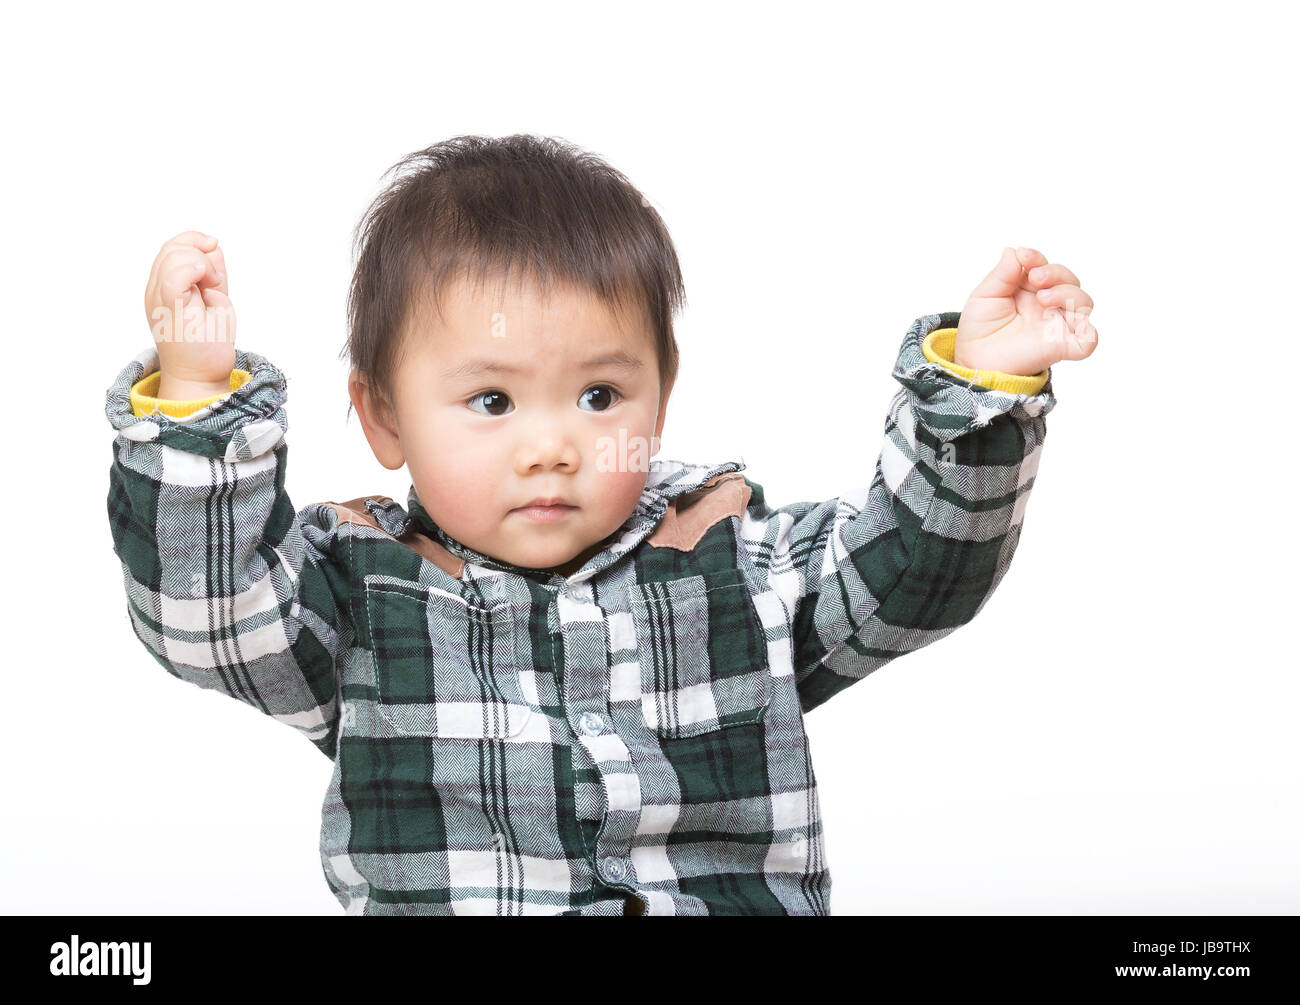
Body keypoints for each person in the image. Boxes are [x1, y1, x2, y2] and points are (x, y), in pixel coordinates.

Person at [105, 134, 1098, 915]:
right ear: (384, 418)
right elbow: (205, 615)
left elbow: (914, 576)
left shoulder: (737, 564)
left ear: (659, 404)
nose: (551, 447)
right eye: (491, 403)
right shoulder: (360, 592)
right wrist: (195, 402)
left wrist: (977, 390)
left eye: (598, 396)